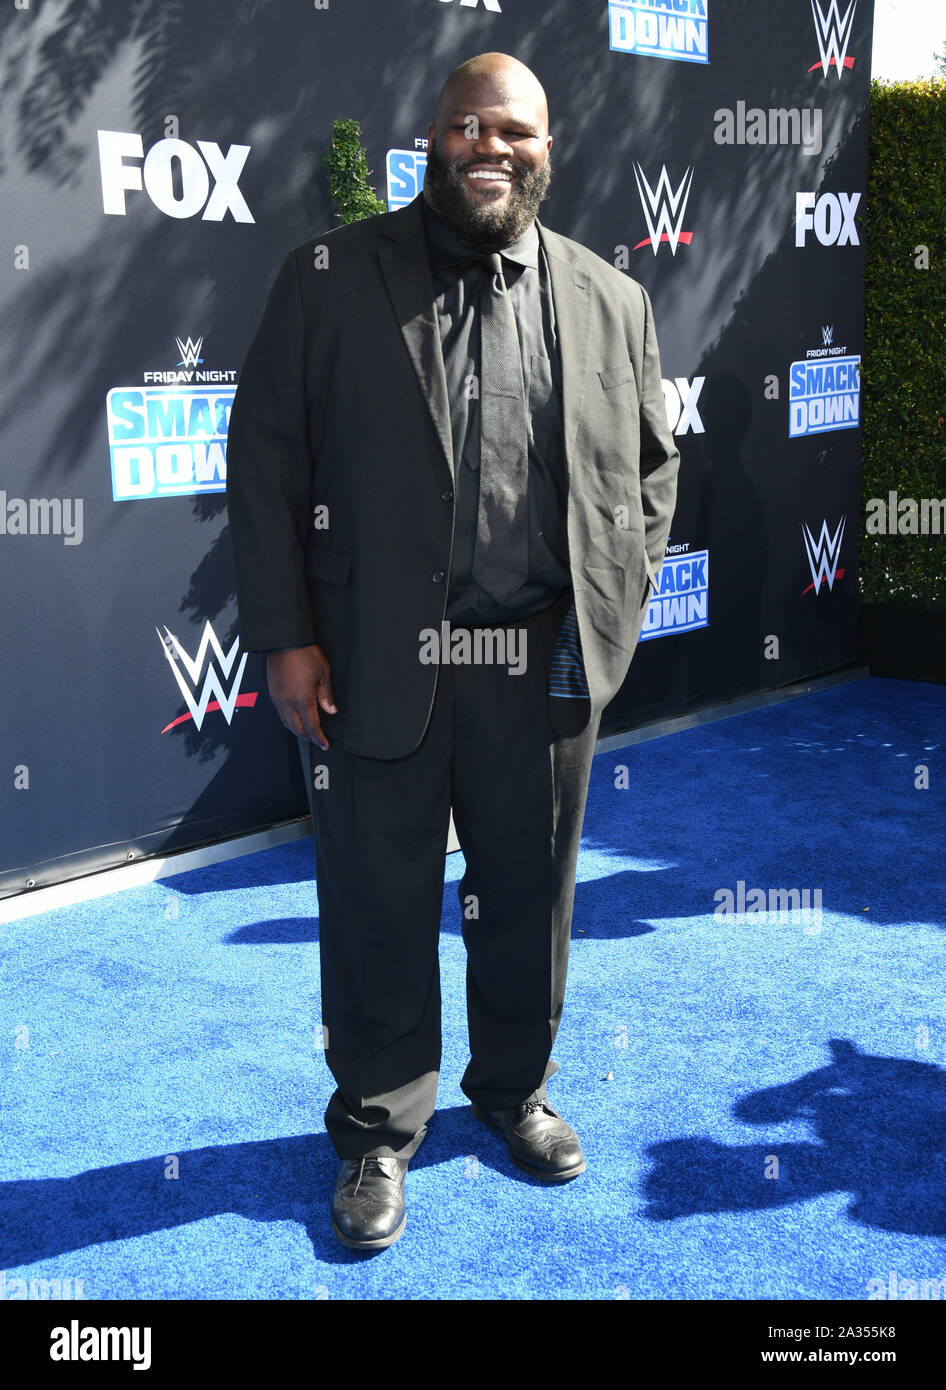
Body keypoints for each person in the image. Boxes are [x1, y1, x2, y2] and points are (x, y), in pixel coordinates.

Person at [225, 51, 679, 1251]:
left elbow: (650, 468)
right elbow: (265, 461)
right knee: (376, 896)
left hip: (540, 663)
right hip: (377, 655)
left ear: (547, 149)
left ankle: (512, 1088)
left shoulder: (609, 298)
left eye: (514, 130)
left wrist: (614, 601)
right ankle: (378, 1127)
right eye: (469, 126)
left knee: (527, 892)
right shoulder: (330, 279)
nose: (492, 146)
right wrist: (287, 636)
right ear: (432, 139)